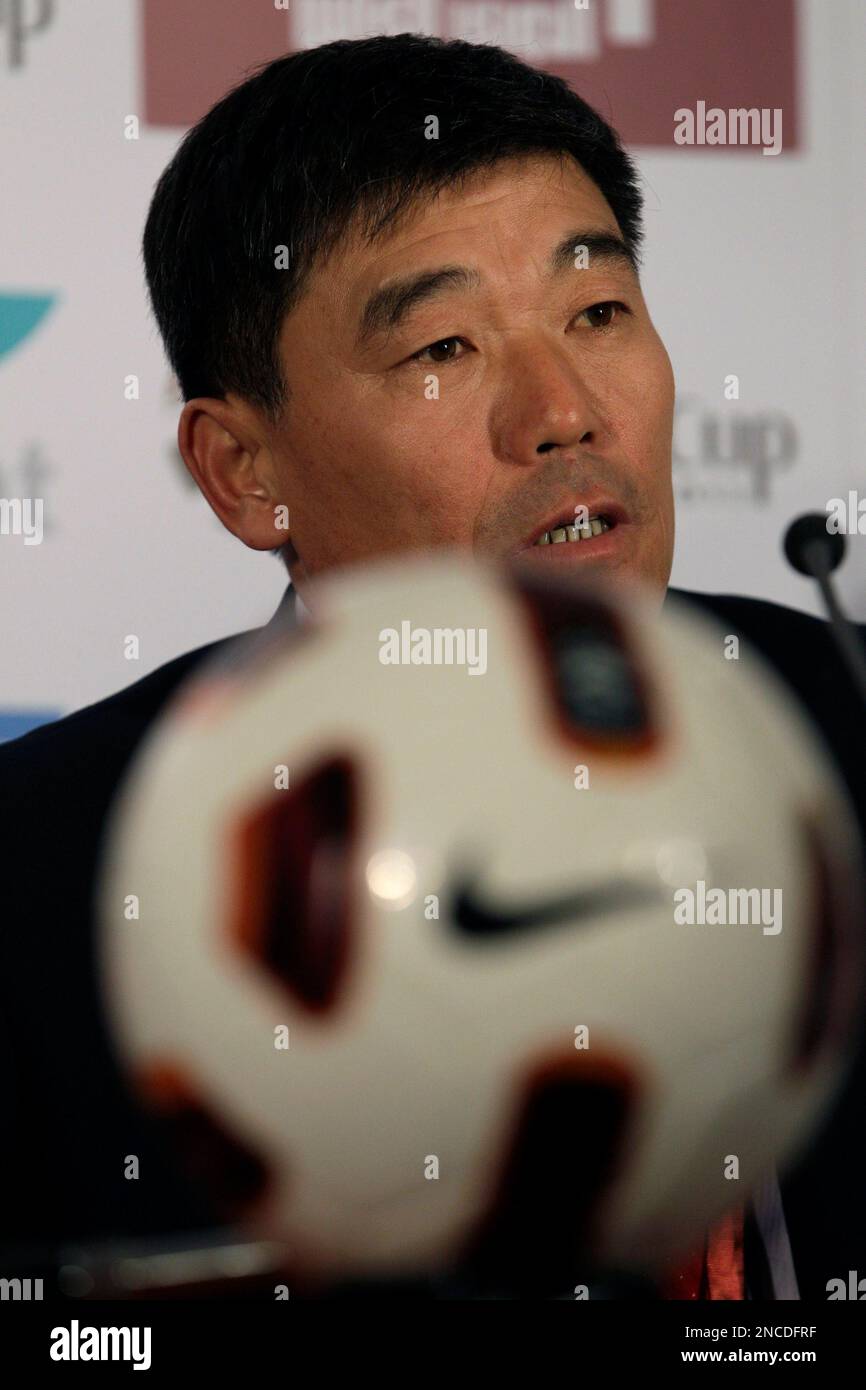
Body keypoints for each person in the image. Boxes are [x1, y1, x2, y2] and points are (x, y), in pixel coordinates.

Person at [1, 33, 863, 1301]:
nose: (563, 412)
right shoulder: (42, 876)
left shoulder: (837, 711)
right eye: (442, 349)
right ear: (246, 471)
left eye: (597, 311)